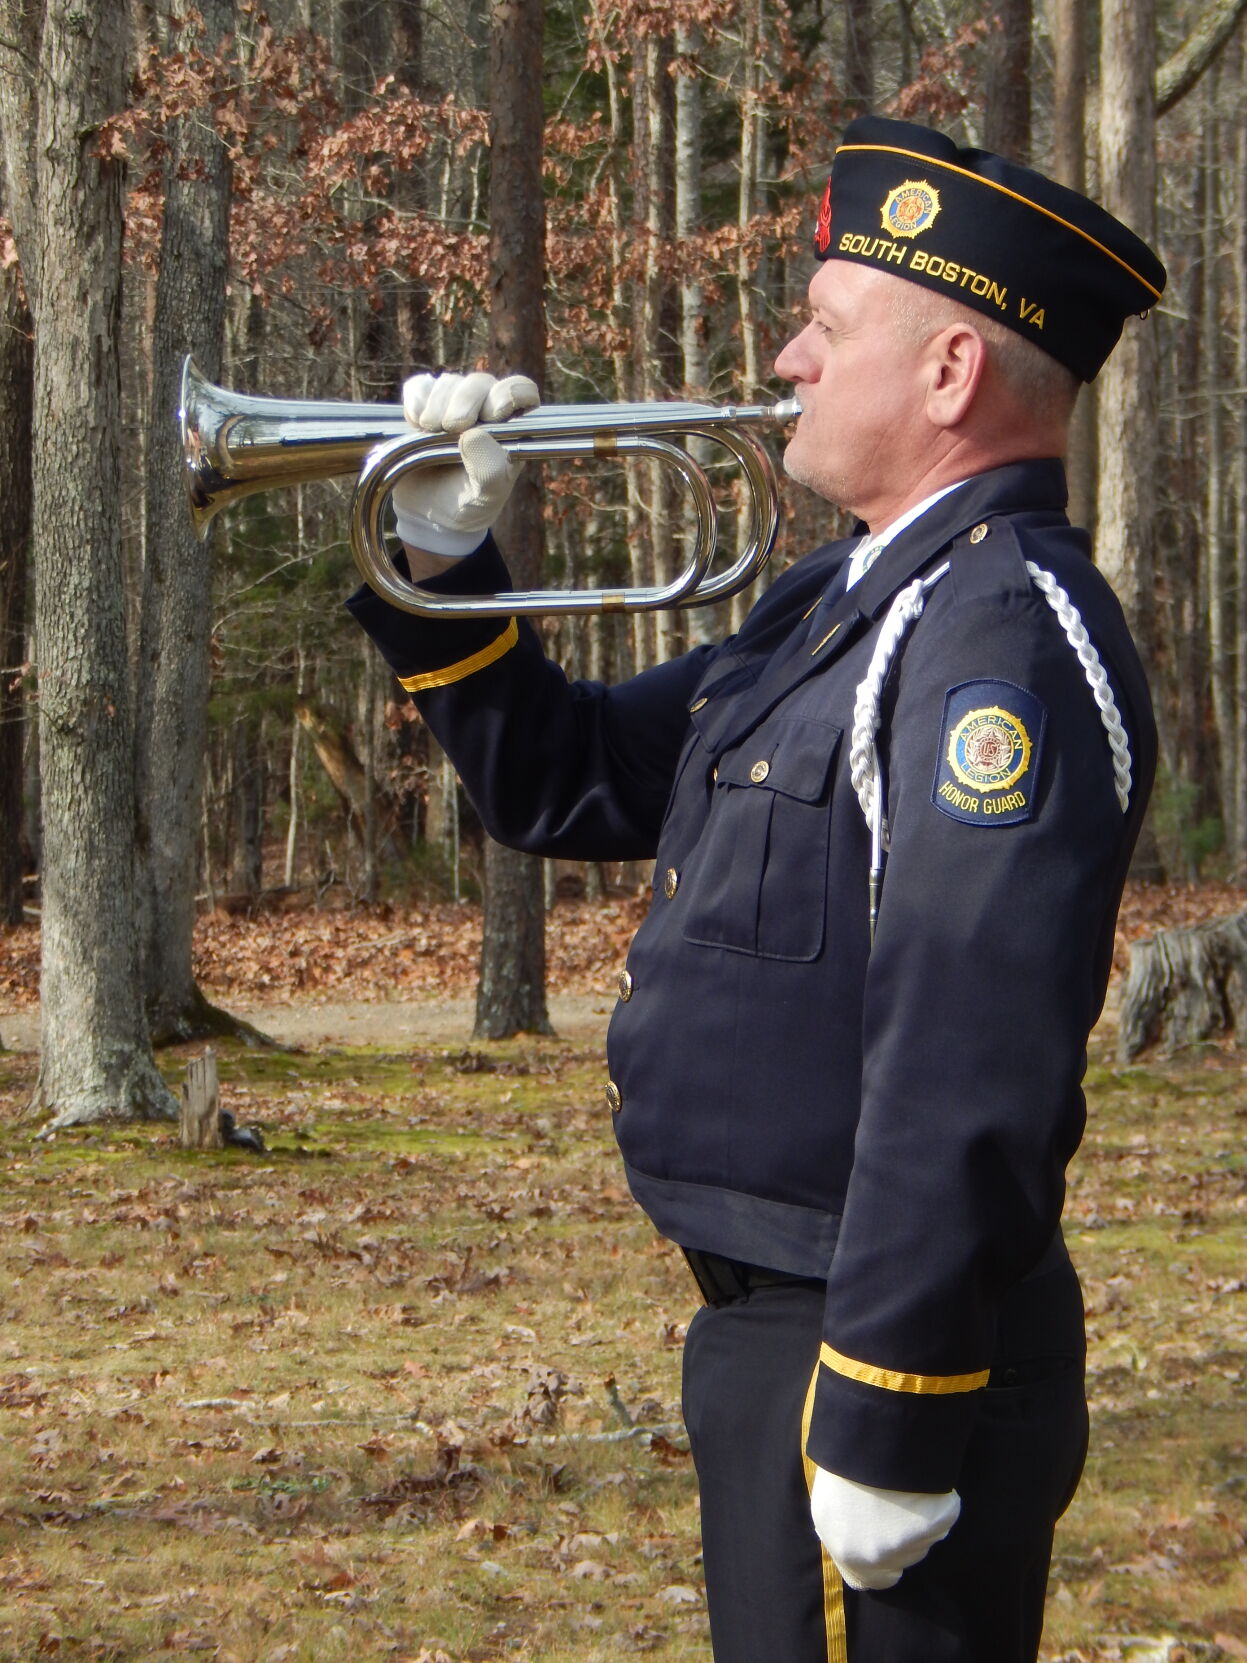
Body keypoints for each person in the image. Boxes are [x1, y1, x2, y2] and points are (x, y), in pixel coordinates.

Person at [347, 115, 1166, 1663]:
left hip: (866, 1336)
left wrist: (895, 1394)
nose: (786, 360)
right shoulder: (836, 604)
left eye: (826, 329)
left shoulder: (998, 640)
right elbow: (570, 776)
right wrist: (442, 557)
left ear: (948, 377)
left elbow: (969, 1043)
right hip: (773, 1332)